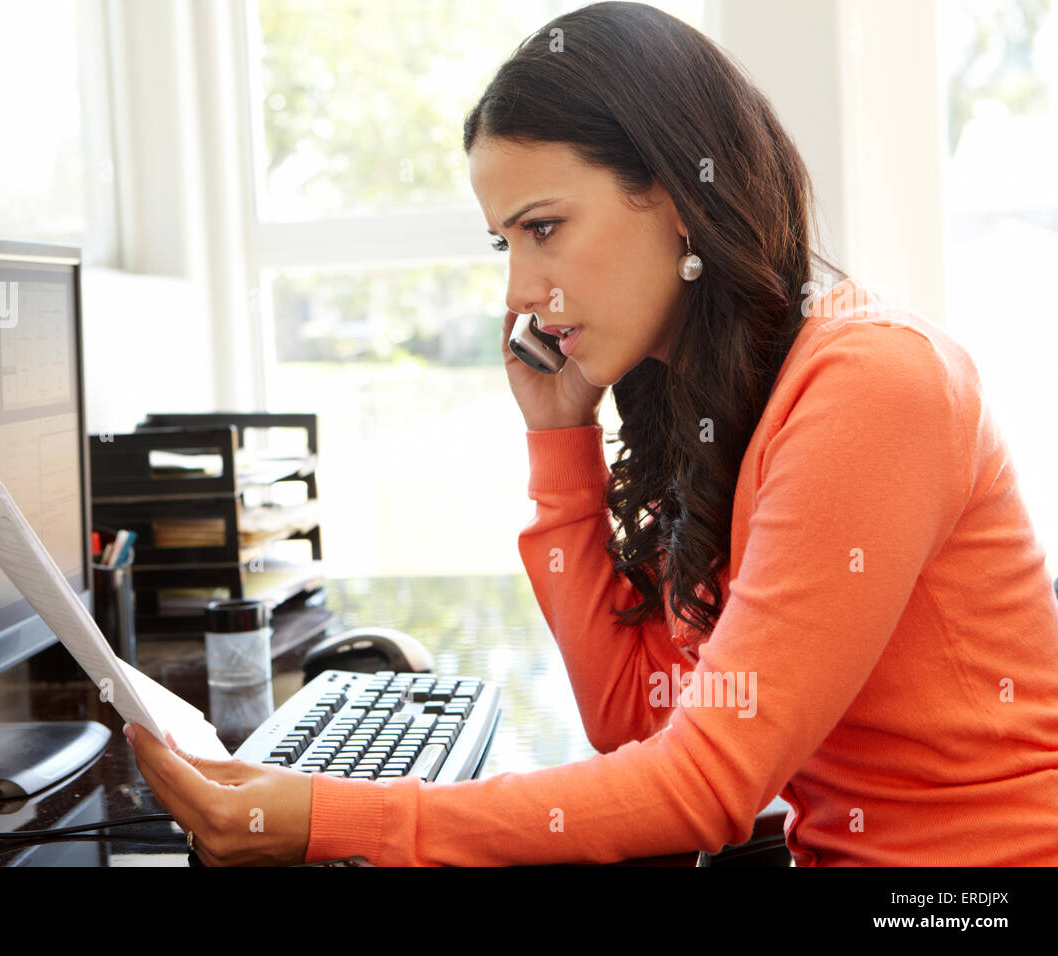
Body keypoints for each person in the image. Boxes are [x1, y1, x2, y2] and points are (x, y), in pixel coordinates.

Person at [127, 1, 1058, 866]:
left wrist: (333, 818)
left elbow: (705, 786)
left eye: (544, 229)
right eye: (506, 243)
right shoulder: (698, 392)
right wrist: (560, 439)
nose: (519, 295)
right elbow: (638, 715)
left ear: (682, 195)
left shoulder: (872, 385)